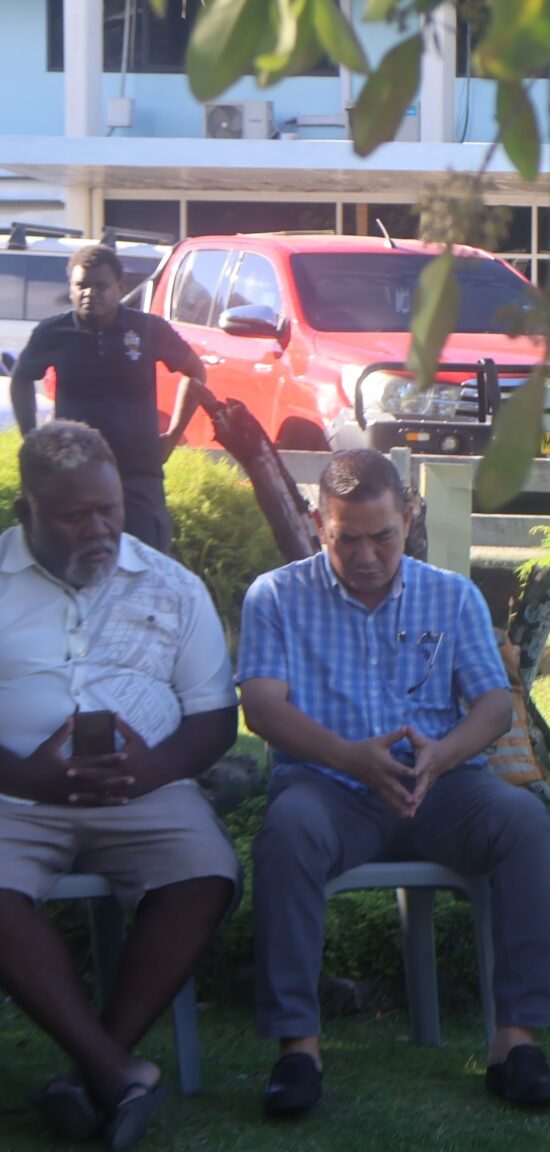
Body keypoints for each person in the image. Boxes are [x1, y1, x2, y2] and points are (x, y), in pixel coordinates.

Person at [238, 449, 550, 1115]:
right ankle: (298, 1047)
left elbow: (494, 705)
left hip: (441, 787)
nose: (365, 555)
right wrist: (349, 758)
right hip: (329, 789)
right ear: (316, 523)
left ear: (408, 518)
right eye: (345, 538)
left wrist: (443, 755)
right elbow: (263, 708)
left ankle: (516, 1041)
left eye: (382, 536)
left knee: (522, 822)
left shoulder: (451, 594)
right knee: (288, 831)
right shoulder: (276, 596)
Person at [0, 421, 239, 1150]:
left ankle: (89, 1071)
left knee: (206, 873)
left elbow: (216, 719)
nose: (100, 527)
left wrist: (157, 769)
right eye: (76, 515)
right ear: (28, 513)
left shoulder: (173, 587)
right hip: (14, 794)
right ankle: (115, 1070)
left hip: (146, 792)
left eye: (110, 508)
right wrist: (28, 776)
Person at [8, 246, 210, 553]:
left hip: (138, 472)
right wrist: (31, 439)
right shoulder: (53, 332)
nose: (90, 293)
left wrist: (173, 435)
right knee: (80, 565)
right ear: (71, 289)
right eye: (81, 286)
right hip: (74, 475)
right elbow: (22, 377)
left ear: (120, 287)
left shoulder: (146, 329)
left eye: (100, 285)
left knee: (145, 565)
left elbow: (195, 371)